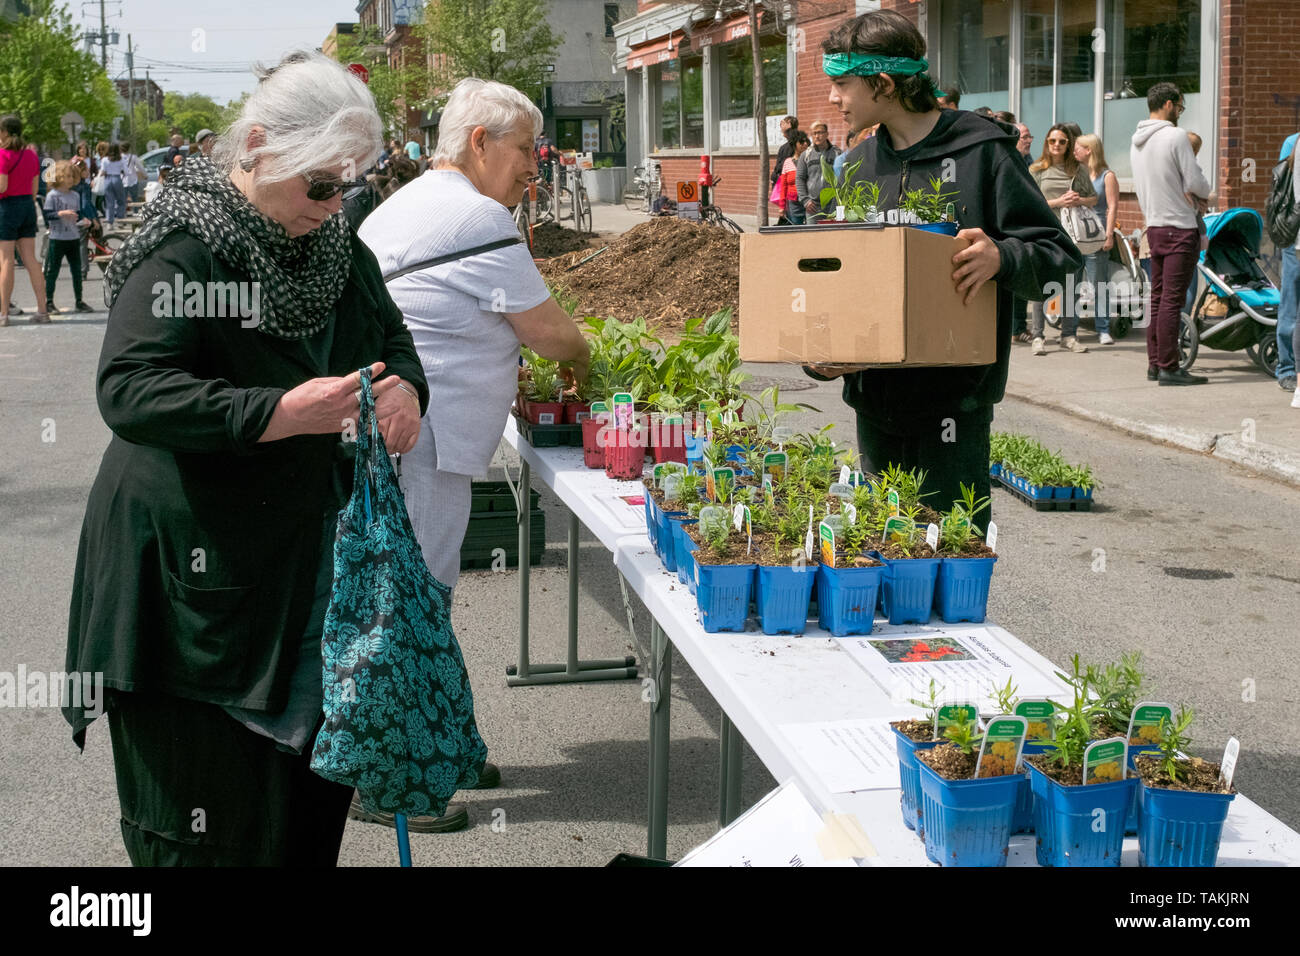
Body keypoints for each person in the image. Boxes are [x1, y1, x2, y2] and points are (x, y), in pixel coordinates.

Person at [63, 51, 433, 867]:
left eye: (349, 187)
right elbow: (129, 389)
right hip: (190, 587)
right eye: (322, 185)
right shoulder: (185, 248)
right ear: (259, 146)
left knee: (301, 823)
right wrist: (275, 413)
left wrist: (406, 388)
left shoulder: (335, 247)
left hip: (308, 577)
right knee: (205, 832)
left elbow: (393, 340)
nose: (335, 204)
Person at [358, 77, 590, 832]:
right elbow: (552, 331)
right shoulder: (477, 216)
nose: (535, 164)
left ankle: (444, 747)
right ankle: (391, 784)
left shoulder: (417, 202)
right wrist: (589, 363)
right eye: (525, 149)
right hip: (420, 442)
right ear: (480, 143)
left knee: (415, 599)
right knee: (413, 607)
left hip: (400, 436)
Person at [807, 9, 1080, 515]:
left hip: (955, 409)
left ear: (883, 83)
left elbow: (1060, 259)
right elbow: (834, 280)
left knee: (951, 558)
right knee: (882, 556)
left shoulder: (984, 152)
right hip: (875, 406)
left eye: (841, 82)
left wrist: (1004, 255)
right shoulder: (855, 169)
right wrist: (823, 354)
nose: (832, 97)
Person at [1131, 81, 1211, 385]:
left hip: (1154, 226)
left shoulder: (1137, 140)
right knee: (1172, 301)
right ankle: (1169, 366)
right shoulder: (1175, 136)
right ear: (1168, 104)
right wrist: (1206, 193)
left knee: (1158, 298)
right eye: (1179, 106)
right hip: (1179, 227)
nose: (1179, 112)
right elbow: (1195, 181)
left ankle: (1155, 364)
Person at [1027, 123, 1096, 355]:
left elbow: (1093, 198)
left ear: (1069, 144)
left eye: (1062, 141)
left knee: (1071, 287)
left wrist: (1079, 200)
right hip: (1045, 232)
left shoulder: (1078, 169)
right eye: (1052, 141)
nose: (1057, 145)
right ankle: (1038, 336)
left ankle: (1068, 335)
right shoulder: (1036, 170)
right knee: (1040, 286)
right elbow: (1030, 203)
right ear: (1046, 143)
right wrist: (1058, 203)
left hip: (1072, 236)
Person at [0, 115, 49, 325]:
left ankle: (4, 314)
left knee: (6, 260)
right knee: (31, 259)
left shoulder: (2, 155)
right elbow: (34, 189)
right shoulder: (30, 156)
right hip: (27, 206)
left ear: (4, 132)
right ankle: (42, 310)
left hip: (7, 207)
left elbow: (1, 186)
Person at [1075, 133, 1119, 344]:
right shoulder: (1076, 173)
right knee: (1071, 283)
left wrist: (1109, 235)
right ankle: (1070, 328)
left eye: (1078, 147)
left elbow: (1112, 207)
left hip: (1097, 236)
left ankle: (1103, 328)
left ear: (1089, 150)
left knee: (1099, 284)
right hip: (1076, 235)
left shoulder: (1107, 176)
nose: (1074, 151)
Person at [41, 160, 93, 314]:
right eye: (68, 176)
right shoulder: (52, 195)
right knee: (53, 271)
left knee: (76, 271)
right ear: (59, 177)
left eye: (72, 176)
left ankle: (79, 300)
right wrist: (60, 214)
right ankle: (49, 301)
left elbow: (78, 214)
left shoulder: (75, 195)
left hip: (73, 237)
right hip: (57, 238)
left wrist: (84, 220)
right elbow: (47, 215)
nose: (71, 179)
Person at [1279, 133, 1299, 395]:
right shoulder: (1292, 143)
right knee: (1292, 303)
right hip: (1295, 237)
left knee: (1292, 302)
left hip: (1293, 235)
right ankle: (1286, 368)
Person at [798, 120, 840, 221]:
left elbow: (842, 178)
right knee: (812, 235)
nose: (817, 136)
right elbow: (799, 178)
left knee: (833, 235)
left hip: (833, 205)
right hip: (813, 206)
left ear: (826, 134)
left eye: (820, 132)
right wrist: (805, 200)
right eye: (814, 133)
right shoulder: (806, 155)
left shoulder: (837, 153)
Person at [780, 130, 811, 224]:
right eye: (801, 142)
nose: (805, 144)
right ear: (794, 144)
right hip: (794, 203)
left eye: (807, 142)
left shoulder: (811, 160)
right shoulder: (787, 162)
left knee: (811, 228)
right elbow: (783, 186)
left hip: (809, 201)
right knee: (796, 229)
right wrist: (782, 207)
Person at [98, 142, 127, 227]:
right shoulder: (121, 159)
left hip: (107, 179)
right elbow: (126, 171)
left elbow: (102, 171)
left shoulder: (105, 160)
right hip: (117, 178)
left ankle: (110, 223)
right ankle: (120, 220)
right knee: (121, 200)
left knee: (109, 202)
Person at [769, 115, 799, 189]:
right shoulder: (786, 146)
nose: (781, 127)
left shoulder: (794, 144)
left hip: (788, 184)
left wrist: (774, 176)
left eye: (782, 123)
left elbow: (783, 164)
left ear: (789, 123)